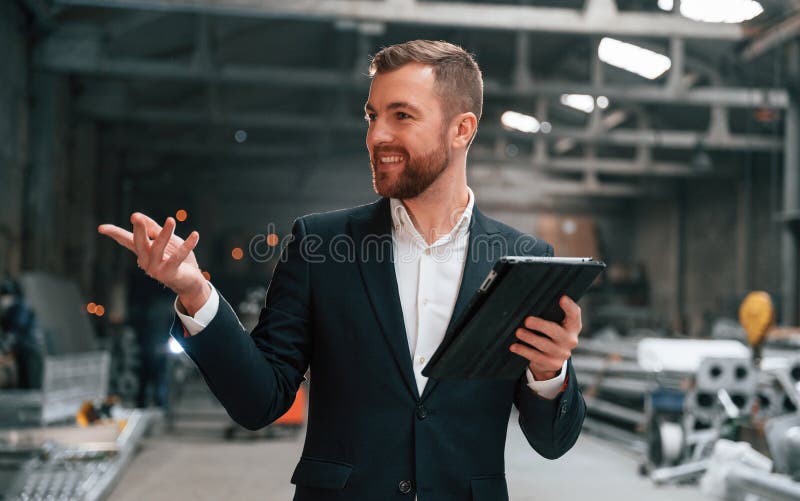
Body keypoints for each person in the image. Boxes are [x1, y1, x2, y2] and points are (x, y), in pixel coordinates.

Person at [98, 40, 585, 501]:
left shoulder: (523, 259)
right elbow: (259, 401)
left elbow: (553, 442)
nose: (377, 136)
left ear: (462, 130)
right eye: (372, 116)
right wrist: (195, 294)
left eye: (401, 116)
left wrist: (548, 372)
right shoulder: (319, 244)